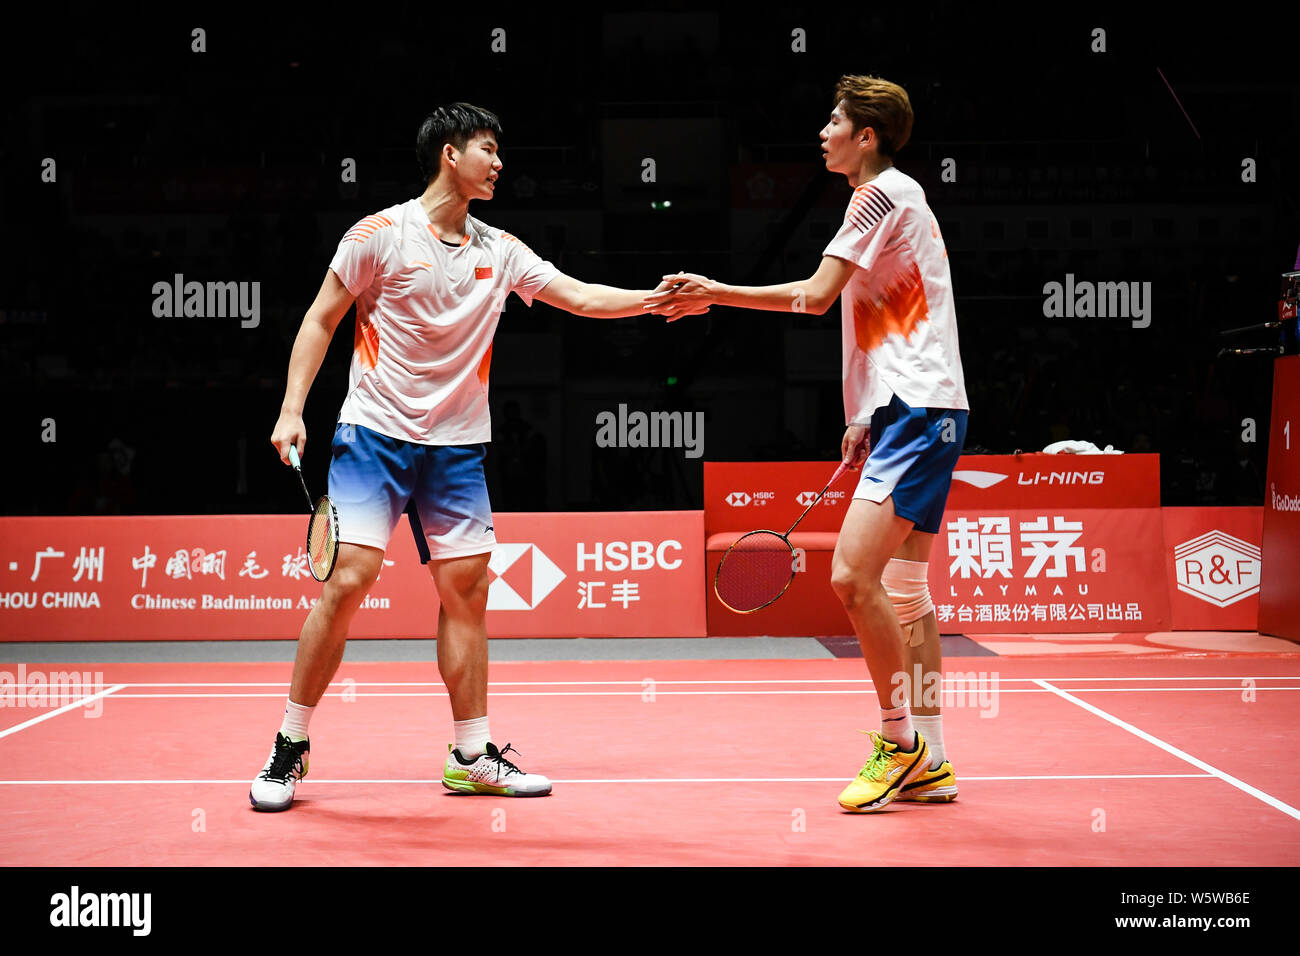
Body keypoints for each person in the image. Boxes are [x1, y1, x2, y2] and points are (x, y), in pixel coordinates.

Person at [252, 103, 707, 811]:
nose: (498, 164)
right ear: (449, 155)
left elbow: (579, 297)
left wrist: (652, 302)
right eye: (488, 150)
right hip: (374, 437)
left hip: (457, 450)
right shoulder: (379, 235)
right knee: (348, 583)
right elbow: (321, 317)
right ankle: (289, 744)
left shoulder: (503, 250)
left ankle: (470, 754)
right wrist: (291, 409)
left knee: (466, 595)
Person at [646, 75, 968, 812]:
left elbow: (816, 296)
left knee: (854, 580)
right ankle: (934, 758)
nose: (822, 131)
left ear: (867, 136)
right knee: (907, 594)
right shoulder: (903, 198)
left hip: (919, 412)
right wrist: (866, 414)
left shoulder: (879, 193)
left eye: (834, 120)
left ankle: (898, 745)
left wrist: (713, 293)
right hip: (921, 407)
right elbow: (891, 319)